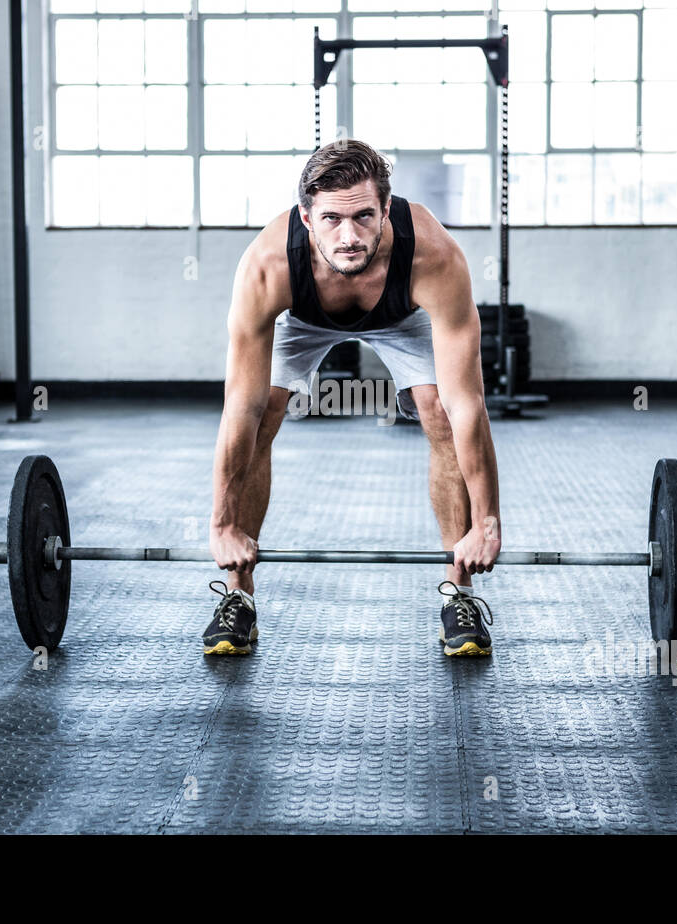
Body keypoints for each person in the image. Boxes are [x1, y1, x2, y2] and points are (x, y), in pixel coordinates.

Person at [206, 139, 502, 657]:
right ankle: (238, 597)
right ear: (305, 216)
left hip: (400, 313)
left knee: (439, 414)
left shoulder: (434, 256)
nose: (348, 237)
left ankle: (460, 592)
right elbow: (241, 406)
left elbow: (467, 404)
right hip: (302, 316)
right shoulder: (267, 266)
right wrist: (221, 524)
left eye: (365, 217)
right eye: (331, 220)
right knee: (266, 412)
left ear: (386, 209)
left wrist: (487, 523)